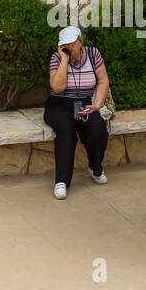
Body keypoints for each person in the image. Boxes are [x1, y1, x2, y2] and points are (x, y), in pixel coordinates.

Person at [44, 25, 110, 199]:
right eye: (65, 44)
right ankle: (61, 182)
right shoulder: (56, 58)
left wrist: (97, 104)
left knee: (97, 128)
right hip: (59, 104)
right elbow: (58, 88)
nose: (70, 47)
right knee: (67, 132)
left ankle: (95, 168)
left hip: (86, 102)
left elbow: (103, 81)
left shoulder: (93, 54)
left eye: (73, 43)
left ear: (80, 41)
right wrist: (64, 60)